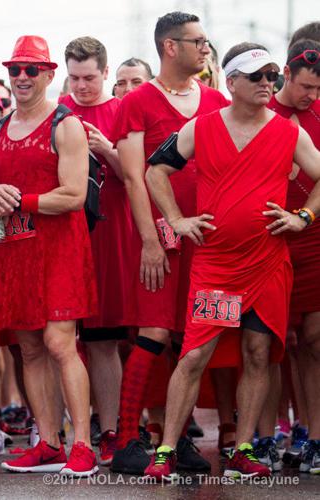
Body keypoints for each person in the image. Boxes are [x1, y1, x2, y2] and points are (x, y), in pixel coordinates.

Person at [143, 42, 320, 481]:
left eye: (272, 76)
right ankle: (165, 450)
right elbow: (154, 171)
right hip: (217, 266)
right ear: (232, 81)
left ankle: (243, 447)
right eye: (257, 76)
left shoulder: (288, 132)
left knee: (259, 352)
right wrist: (177, 219)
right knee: (195, 354)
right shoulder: (199, 128)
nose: (267, 84)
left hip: (267, 263)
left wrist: (304, 216)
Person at [109, 12, 229, 475]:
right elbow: (136, 179)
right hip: (162, 237)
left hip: (208, 237)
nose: (206, 49)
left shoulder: (217, 99)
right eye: (197, 41)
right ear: (170, 47)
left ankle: (176, 441)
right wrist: (150, 242)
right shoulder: (137, 101)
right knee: (153, 332)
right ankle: (126, 440)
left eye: (206, 41)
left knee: (194, 338)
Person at [0, 35, 98, 476]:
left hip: (59, 247)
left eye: (32, 70)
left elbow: (73, 195)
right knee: (29, 346)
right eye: (16, 70)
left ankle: (82, 444)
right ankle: (48, 441)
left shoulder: (65, 124)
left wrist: (20, 200)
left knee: (59, 343)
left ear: (50, 75)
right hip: (15, 249)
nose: (23, 77)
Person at [60, 36, 138, 466]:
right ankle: (65, 433)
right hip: (67, 240)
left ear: (106, 74)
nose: (82, 86)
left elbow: (142, 178)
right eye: (74, 77)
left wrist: (106, 149)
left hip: (112, 237)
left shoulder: (123, 111)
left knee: (106, 341)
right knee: (60, 342)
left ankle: (111, 430)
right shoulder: (59, 114)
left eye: (90, 77)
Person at [267, 37, 320, 474]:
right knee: (272, 343)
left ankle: (314, 433)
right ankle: (275, 431)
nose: (311, 96)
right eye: (305, 87)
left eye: (318, 90)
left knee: (315, 339)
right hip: (268, 237)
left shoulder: (319, 112)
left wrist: (304, 215)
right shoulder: (262, 111)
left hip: (314, 234)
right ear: (285, 74)